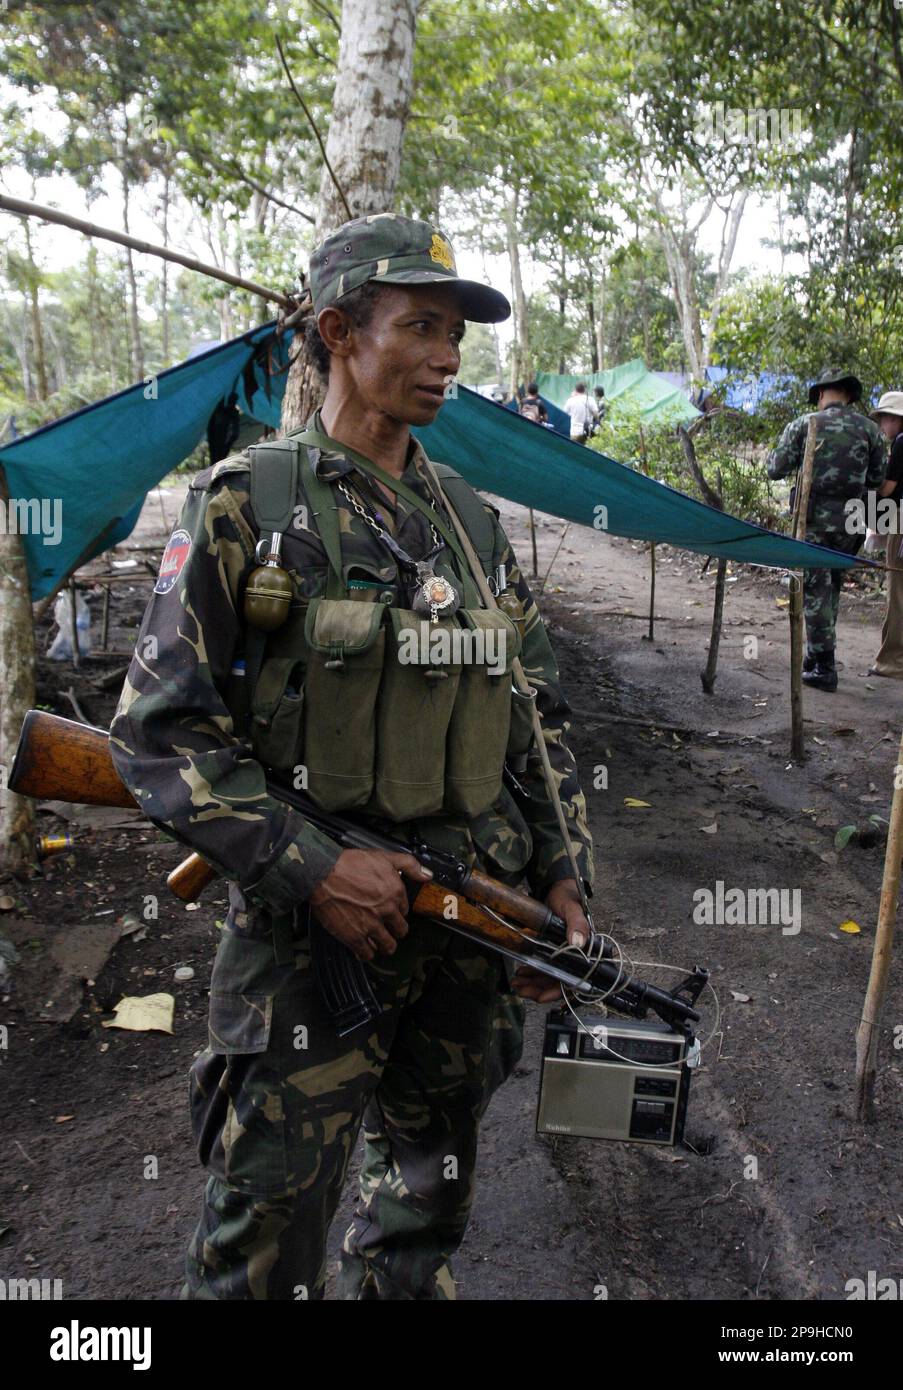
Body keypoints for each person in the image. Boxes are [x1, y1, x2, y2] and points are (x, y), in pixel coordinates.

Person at [109, 213, 595, 1301]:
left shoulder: (470, 521)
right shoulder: (247, 502)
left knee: (424, 1214)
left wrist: (561, 881)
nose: (447, 357)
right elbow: (154, 732)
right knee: (265, 1240)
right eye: (419, 326)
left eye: (456, 333)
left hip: (466, 931)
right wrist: (313, 866)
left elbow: (535, 716)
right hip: (304, 943)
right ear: (337, 331)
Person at [766, 365, 886, 692]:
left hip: (813, 517)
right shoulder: (870, 430)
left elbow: (774, 469)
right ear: (848, 394)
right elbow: (877, 481)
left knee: (815, 588)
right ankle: (816, 655)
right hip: (852, 519)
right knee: (831, 583)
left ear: (820, 394)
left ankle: (825, 665)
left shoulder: (805, 425)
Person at [868, 390, 903, 678]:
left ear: (895, 418)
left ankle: (892, 662)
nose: (881, 426)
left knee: (898, 594)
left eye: (883, 419)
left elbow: (887, 489)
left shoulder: (902, 443)